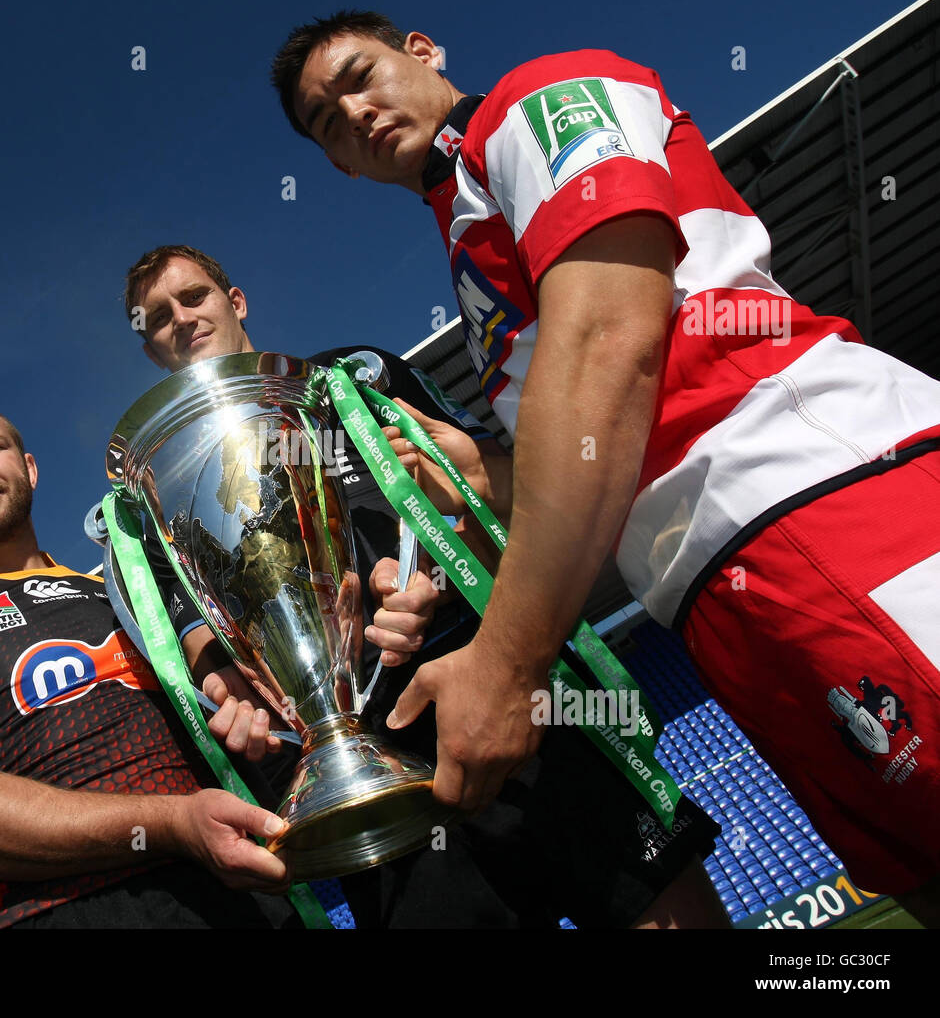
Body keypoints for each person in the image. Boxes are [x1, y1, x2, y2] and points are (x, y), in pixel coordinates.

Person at [270, 11, 940, 915]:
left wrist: (506, 664)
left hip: (814, 493)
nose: (351, 112)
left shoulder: (534, 98)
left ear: (423, 50)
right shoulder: (468, 238)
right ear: (341, 167)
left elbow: (610, 344)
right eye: (323, 122)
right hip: (711, 598)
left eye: (360, 76)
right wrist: (484, 473)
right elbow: (605, 453)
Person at [122, 243, 728, 928]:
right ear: (150, 350)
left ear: (236, 302)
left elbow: (507, 490)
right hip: (366, 765)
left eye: (193, 296)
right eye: (156, 318)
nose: (179, 318)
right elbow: (197, 633)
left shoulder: (356, 377)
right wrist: (233, 686)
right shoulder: (161, 490)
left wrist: (438, 571)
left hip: (502, 677)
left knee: (663, 910)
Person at [0, 398, 302, 928]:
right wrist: (173, 823)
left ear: (30, 468)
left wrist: (253, 709)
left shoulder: (134, 590)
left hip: (249, 894)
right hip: (55, 911)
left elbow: (251, 700)